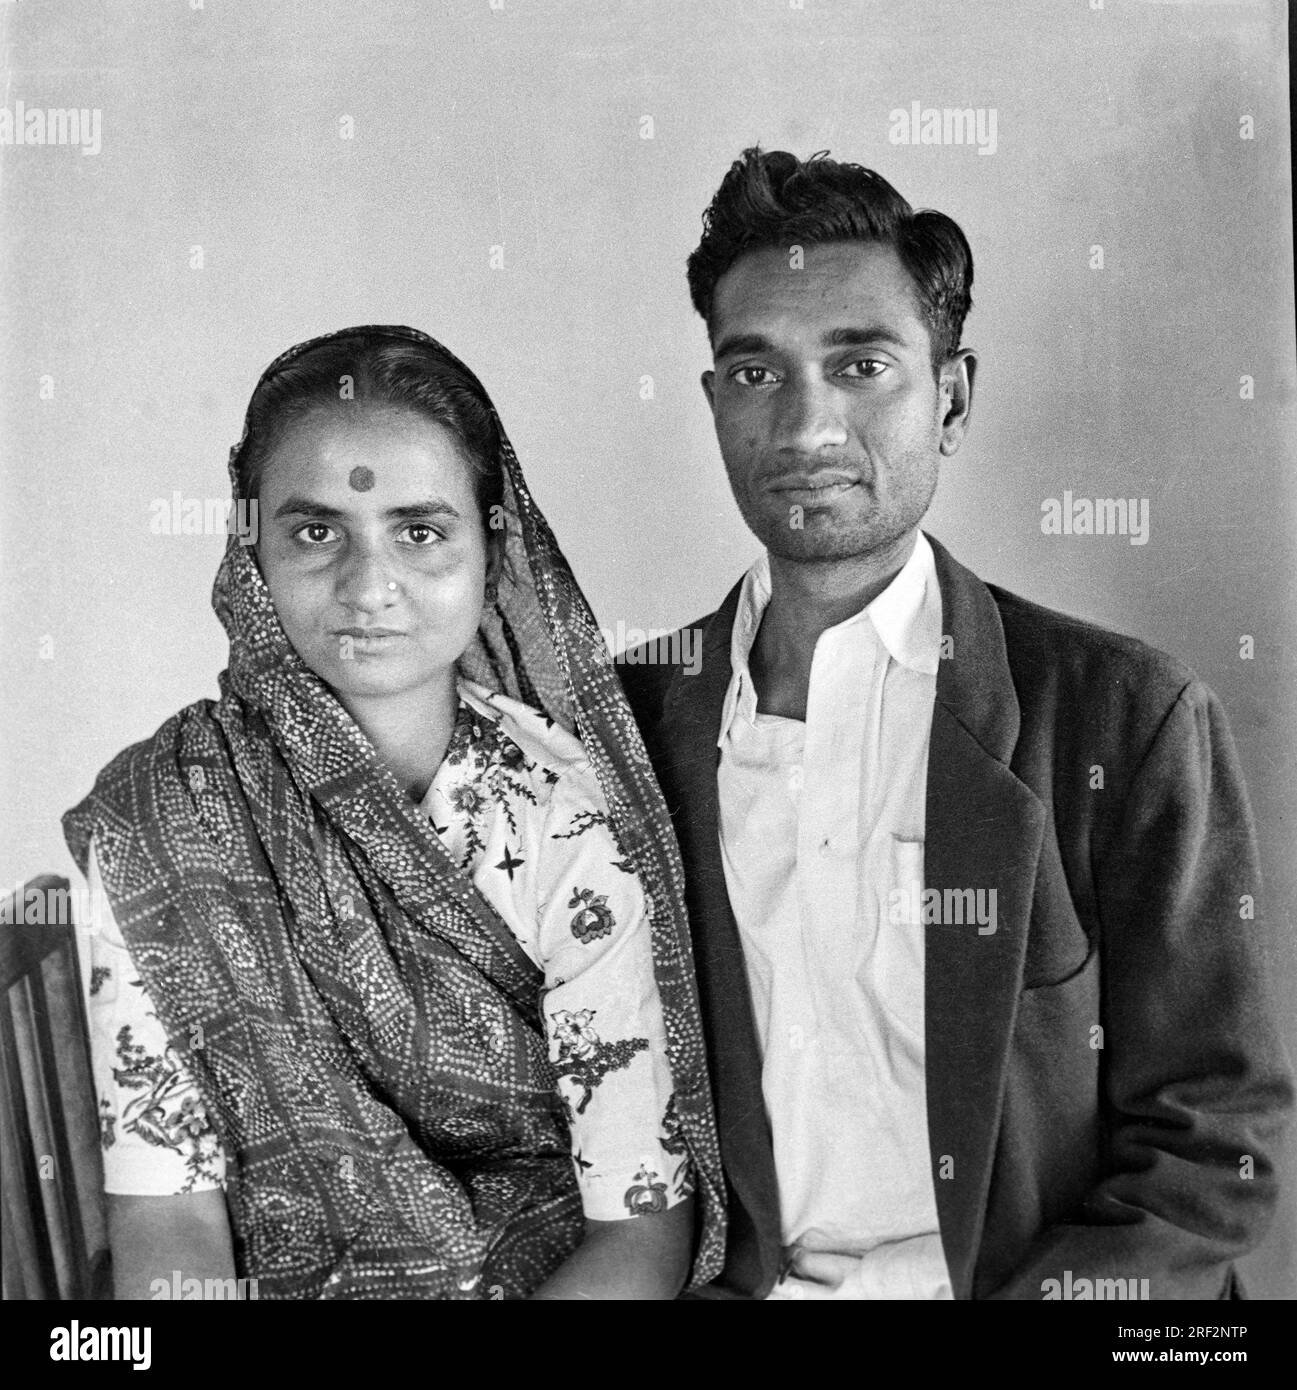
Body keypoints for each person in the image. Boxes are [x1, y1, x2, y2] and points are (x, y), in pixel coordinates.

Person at [617, 148, 1292, 1300]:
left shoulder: (1124, 716)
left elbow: (1210, 1145)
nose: (808, 425)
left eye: (862, 364)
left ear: (953, 397)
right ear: (714, 400)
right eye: (755, 372)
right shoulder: (625, 725)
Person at [64, 325, 724, 1300]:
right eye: (315, 530)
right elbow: (169, 1216)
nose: (370, 587)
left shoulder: (568, 823)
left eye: (420, 531)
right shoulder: (161, 819)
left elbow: (638, 1236)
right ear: (251, 547)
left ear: (495, 550)